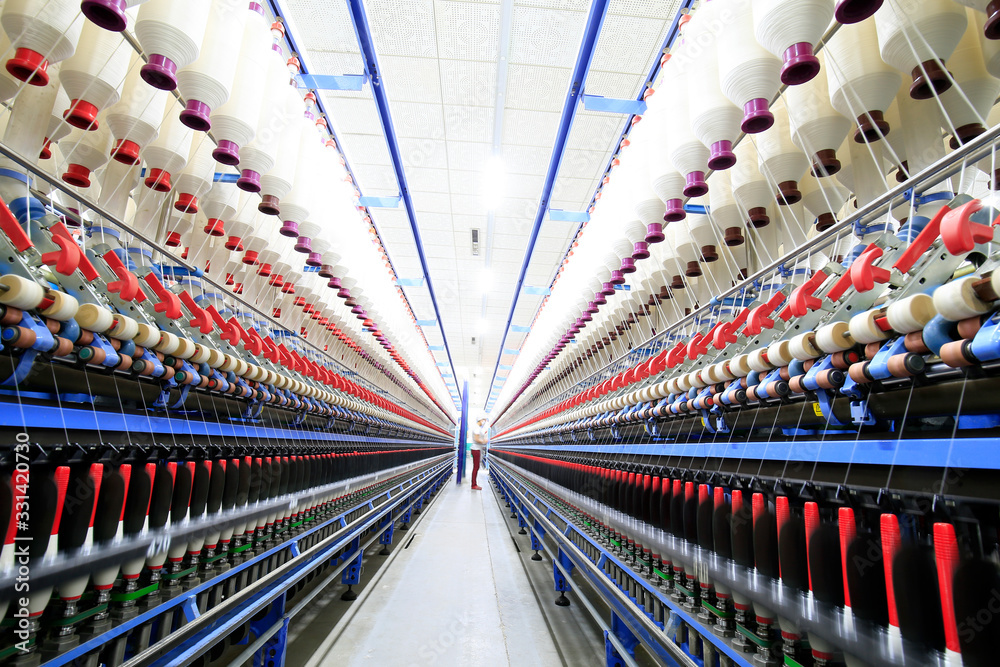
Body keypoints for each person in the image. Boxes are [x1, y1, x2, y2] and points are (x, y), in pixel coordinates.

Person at [469, 417, 488, 490]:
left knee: (476, 467)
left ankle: (474, 484)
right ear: (480, 420)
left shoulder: (478, 428)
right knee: (476, 467)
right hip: (476, 449)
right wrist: (484, 441)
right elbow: (477, 439)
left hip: (477, 449)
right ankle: (474, 485)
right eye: (484, 420)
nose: (484, 422)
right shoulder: (476, 428)